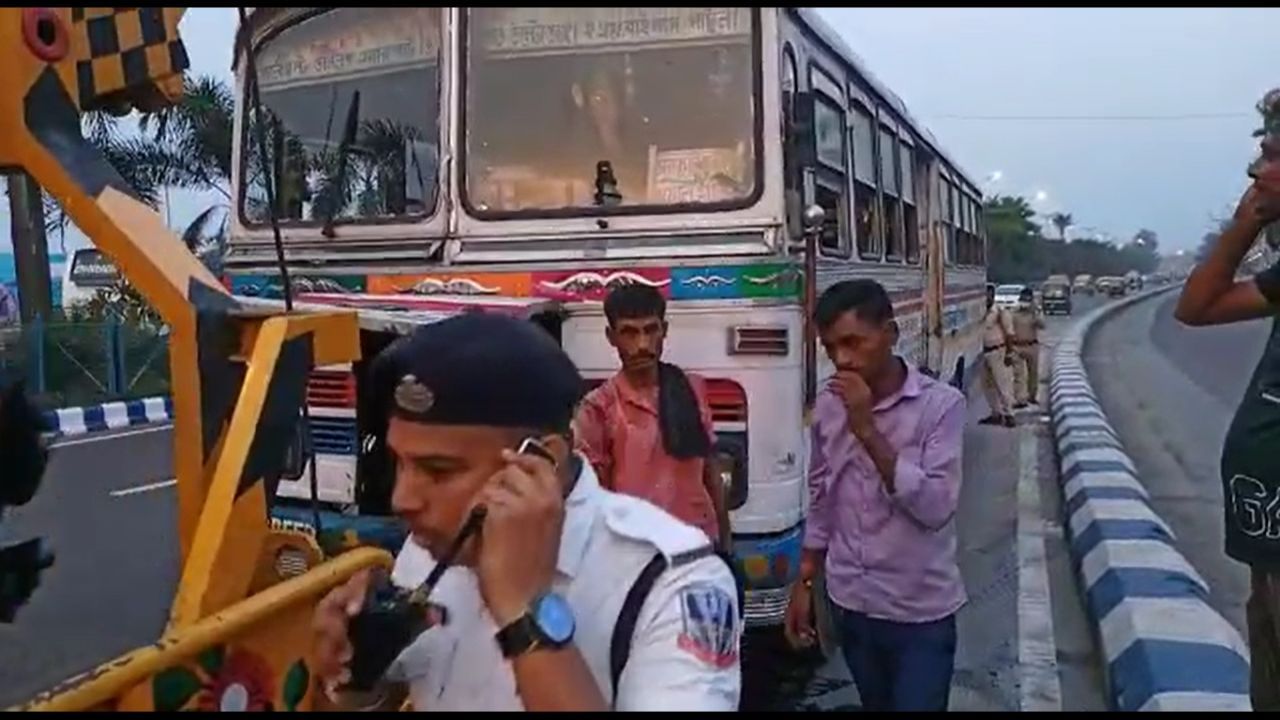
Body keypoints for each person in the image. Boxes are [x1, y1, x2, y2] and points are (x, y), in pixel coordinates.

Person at [310, 312, 741, 712]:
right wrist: (357, 675)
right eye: (398, 463)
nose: (403, 499)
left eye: (438, 471)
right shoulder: (433, 547)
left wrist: (526, 612)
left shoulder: (672, 580)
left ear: (542, 461)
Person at [784, 279, 966, 712]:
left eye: (853, 343)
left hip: (918, 613)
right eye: (831, 348)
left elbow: (936, 507)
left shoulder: (941, 407)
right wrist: (805, 582)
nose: (842, 360)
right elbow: (822, 496)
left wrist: (866, 428)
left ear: (890, 333)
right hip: (854, 605)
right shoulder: (829, 406)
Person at [1173, 156, 1280, 710]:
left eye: (1274, 154)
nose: (1254, 168)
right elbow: (1196, 307)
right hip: (1266, 538)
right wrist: (1246, 225)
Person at [574, 284, 731, 551]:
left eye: (650, 330)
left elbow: (710, 470)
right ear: (611, 337)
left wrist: (725, 540)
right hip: (636, 550)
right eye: (629, 333)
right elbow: (593, 495)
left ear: (664, 331)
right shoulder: (599, 407)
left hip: (697, 541)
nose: (642, 345)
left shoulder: (691, 388)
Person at [979, 284, 1017, 427]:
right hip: (985, 351)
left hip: (998, 351)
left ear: (993, 296)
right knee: (987, 385)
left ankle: (1009, 414)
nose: (986, 297)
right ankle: (996, 413)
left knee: (1003, 385)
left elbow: (1010, 334)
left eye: (989, 295)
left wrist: (1009, 353)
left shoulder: (1000, 312)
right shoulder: (982, 312)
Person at [1010, 286, 1045, 408]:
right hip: (1017, 346)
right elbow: (1009, 329)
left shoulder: (1035, 313)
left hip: (1032, 345)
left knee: (1033, 374)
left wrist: (1035, 312)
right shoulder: (1014, 312)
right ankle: (1020, 399)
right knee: (1018, 375)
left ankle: (1032, 396)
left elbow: (1042, 325)